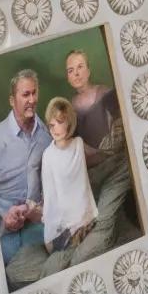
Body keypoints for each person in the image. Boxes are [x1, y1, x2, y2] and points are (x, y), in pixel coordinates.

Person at [0, 69, 49, 264]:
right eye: (25, 94)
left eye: (34, 93)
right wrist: (3, 217)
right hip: (2, 233)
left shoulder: (47, 135)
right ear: (12, 100)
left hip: (37, 227)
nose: (32, 100)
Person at [41, 97, 97, 252]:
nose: (54, 129)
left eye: (59, 122)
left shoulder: (78, 143)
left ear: (69, 123)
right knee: (55, 243)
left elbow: (96, 154)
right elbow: (50, 193)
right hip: (62, 219)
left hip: (84, 215)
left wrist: (110, 150)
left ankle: (78, 230)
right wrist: (50, 224)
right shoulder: (48, 155)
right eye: (51, 125)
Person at [64, 48, 120, 162]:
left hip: (116, 158)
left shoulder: (105, 93)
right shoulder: (69, 109)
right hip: (93, 164)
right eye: (71, 70)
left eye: (80, 67)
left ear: (88, 71)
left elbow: (120, 127)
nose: (76, 73)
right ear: (68, 78)